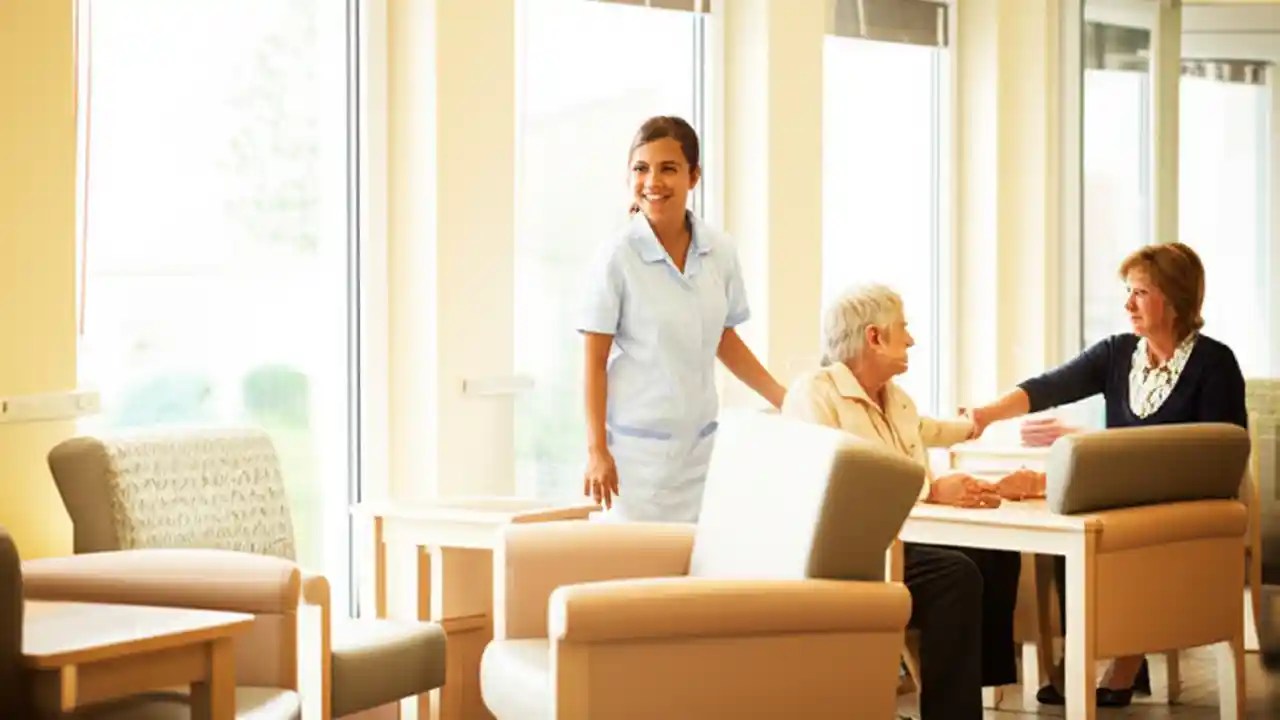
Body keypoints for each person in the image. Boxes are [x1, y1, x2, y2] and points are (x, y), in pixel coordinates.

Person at [969, 241, 1248, 707]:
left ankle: (1122, 663)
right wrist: (987, 414)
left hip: (1182, 515)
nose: (1128, 305)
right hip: (1118, 507)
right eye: (1128, 292)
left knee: (1108, 532)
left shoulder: (1215, 364)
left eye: (1139, 292)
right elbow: (1051, 385)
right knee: (1071, 525)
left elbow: (1223, 456)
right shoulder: (1118, 354)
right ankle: (1087, 656)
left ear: (1175, 300)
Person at [783, 283, 1035, 720]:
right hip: (848, 549)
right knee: (956, 575)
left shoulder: (897, 400)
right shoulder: (815, 394)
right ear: (874, 337)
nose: (913, 339)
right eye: (904, 329)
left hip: (900, 539)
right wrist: (933, 491)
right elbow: (835, 480)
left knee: (996, 555)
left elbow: (933, 432)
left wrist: (985, 463)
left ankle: (965, 689)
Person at [578, 116, 786, 523]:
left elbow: (722, 338)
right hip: (634, 464)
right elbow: (593, 363)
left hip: (701, 458)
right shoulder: (616, 258)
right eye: (641, 168)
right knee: (637, 581)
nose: (653, 181)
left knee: (694, 579)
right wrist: (597, 450)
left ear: (694, 176)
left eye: (668, 168)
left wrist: (786, 399)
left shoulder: (719, 252)